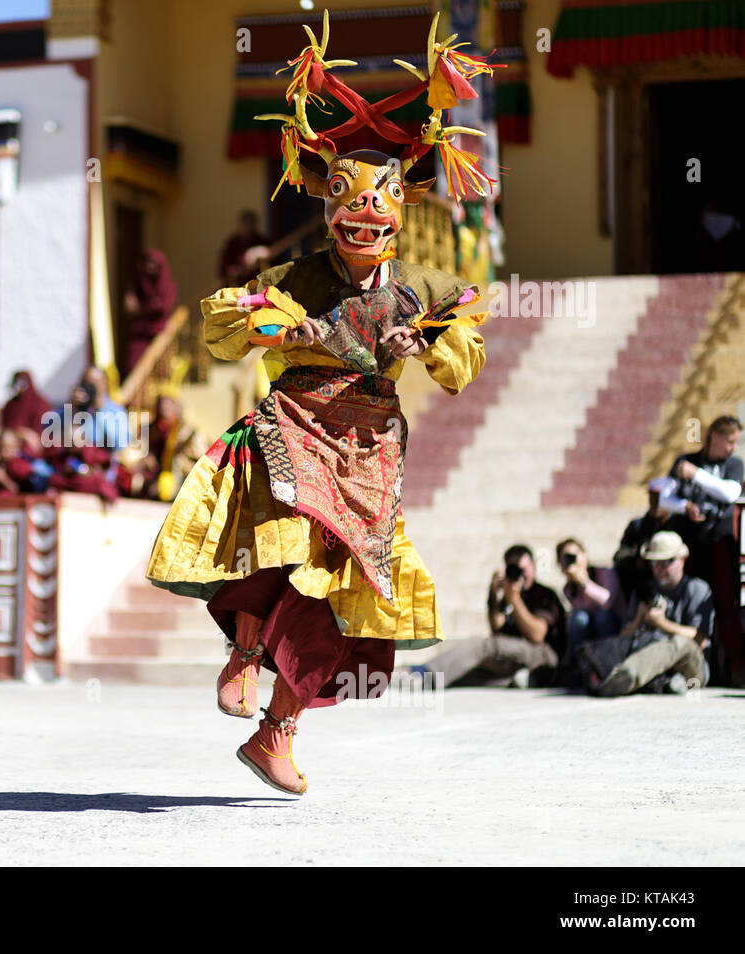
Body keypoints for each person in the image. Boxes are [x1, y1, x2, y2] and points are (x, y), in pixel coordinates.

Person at [146, 12, 500, 795]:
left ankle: (279, 729)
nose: (359, 220)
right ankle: (243, 649)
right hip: (296, 425)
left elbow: (464, 361)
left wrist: (426, 345)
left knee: (345, 595)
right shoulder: (296, 276)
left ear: (399, 207)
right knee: (281, 537)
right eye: (344, 202)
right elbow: (222, 333)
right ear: (329, 205)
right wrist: (278, 324)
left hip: (371, 452)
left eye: (376, 205)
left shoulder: (426, 289)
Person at [415, 545, 566, 689]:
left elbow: (537, 635)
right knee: (464, 674)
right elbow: (497, 628)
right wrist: (493, 595)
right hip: (515, 657)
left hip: (542, 654)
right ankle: (524, 679)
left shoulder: (545, 594)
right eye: (512, 569)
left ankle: (425, 674)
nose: (518, 574)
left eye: (522, 569)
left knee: (483, 645)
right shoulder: (511, 592)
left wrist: (514, 599)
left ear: (533, 566)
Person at [668, 415, 743, 683]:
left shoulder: (733, 465)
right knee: (692, 602)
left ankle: (734, 667)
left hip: (721, 545)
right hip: (690, 544)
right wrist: (684, 507)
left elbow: (731, 493)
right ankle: (690, 666)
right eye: (730, 441)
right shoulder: (686, 460)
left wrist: (696, 475)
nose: (733, 447)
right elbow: (665, 497)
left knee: (726, 604)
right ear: (714, 436)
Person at [596, 531, 713, 696]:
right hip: (652, 663)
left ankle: (627, 677)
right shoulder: (644, 591)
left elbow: (700, 640)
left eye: (667, 562)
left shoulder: (697, 589)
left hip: (692, 667)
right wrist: (639, 620)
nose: (660, 569)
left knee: (680, 643)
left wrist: (662, 624)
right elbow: (623, 638)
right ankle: (654, 681)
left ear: (682, 560)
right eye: (655, 563)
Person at [557, 538, 624, 653]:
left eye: (574, 556)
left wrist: (584, 583)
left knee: (602, 616)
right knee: (579, 617)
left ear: (585, 555)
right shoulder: (569, 589)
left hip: (616, 626)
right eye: (566, 558)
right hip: (591, 630)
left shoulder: (604, 573)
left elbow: (607, 603)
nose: (572, 561)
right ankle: (577, 661)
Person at [121, 249, 179, 374]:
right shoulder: (136, 286)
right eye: (147, 263)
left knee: (161, 373)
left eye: (154, 263)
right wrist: (151, 307)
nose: (150, 267)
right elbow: (130, 309)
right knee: (134, 369)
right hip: (139, 337)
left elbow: (164, 308)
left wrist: (142, 309)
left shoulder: (168, 287)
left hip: (159, 337)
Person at [1, 370, 51, 455]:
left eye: (22, 382)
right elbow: (5, 428)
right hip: (11, 446)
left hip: (34, 448)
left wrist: (29, 436)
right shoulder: (10, 405)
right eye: (17, 382)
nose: (19, 386)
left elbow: (43, 434)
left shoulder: (39, 403)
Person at [218, 209, 271, 287]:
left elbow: (268, 261)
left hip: (255, 284)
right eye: (245, 224)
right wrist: (231, 270)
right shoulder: (233, 243)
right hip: (237, 285)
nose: (247, 227)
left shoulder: (261, 242)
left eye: (250, 224)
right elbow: (225, 265)